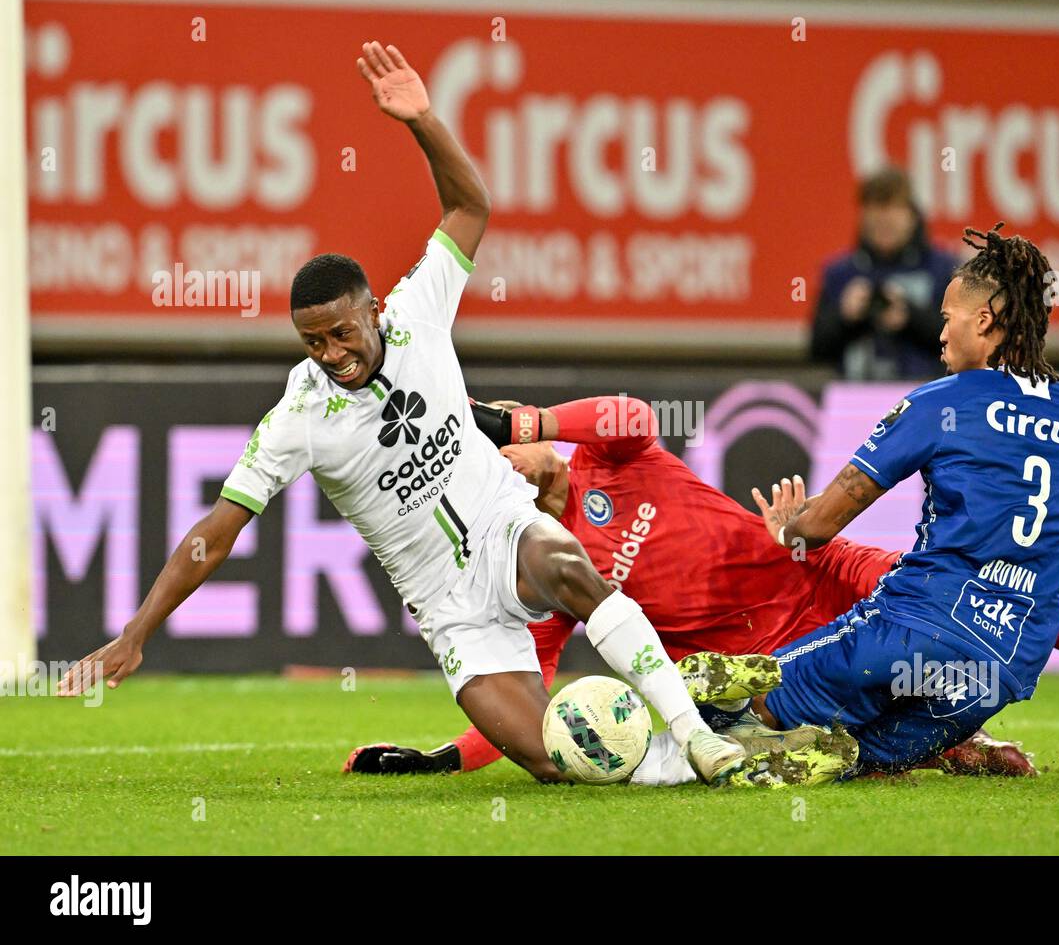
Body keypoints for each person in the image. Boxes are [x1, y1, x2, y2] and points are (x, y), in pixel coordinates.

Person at [56, 41, 759, 788]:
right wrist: (134, 634)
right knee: (557, 763)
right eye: (312, 340)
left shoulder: (418, 311)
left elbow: (470, 206)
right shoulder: (300, 413)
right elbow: (216, 532)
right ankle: (695, 755)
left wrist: (422, 120)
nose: (331, 352)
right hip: (447, 607)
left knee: (568, 567)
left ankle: (693, 732)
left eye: (340, 331)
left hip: (503, 527)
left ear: (371, 309)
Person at [345, 392, 1059, 783]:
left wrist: (519, 412)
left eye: (499, 449)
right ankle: (947, 744)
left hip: (811, 565)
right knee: (820, 742)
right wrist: (440, 761)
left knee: (1000, 591)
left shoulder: (606, 448)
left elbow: (633, 412)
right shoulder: (541, 570)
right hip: (755, 663)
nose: (509, 467)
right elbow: (529, 707)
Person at [738, 223, 1059, 775]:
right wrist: (1025, 558)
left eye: (947, 319)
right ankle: (934, 751)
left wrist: (788, 528)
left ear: (984, 321)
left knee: (744, 703)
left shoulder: (942, 403)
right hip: (1005, 668)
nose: (940, 335)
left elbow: (820, 528)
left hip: (913, 630)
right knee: (857, 762)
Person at [810, 168, 958, 381]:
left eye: (893, 210)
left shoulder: (942, 270)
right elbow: (816, 348)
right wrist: (845, 318)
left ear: (912, 216)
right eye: (876, 211)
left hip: (923, 395)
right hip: (854, 400)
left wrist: (909, 318)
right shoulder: (839, 273)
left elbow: (960, 341)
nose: (884, 220)